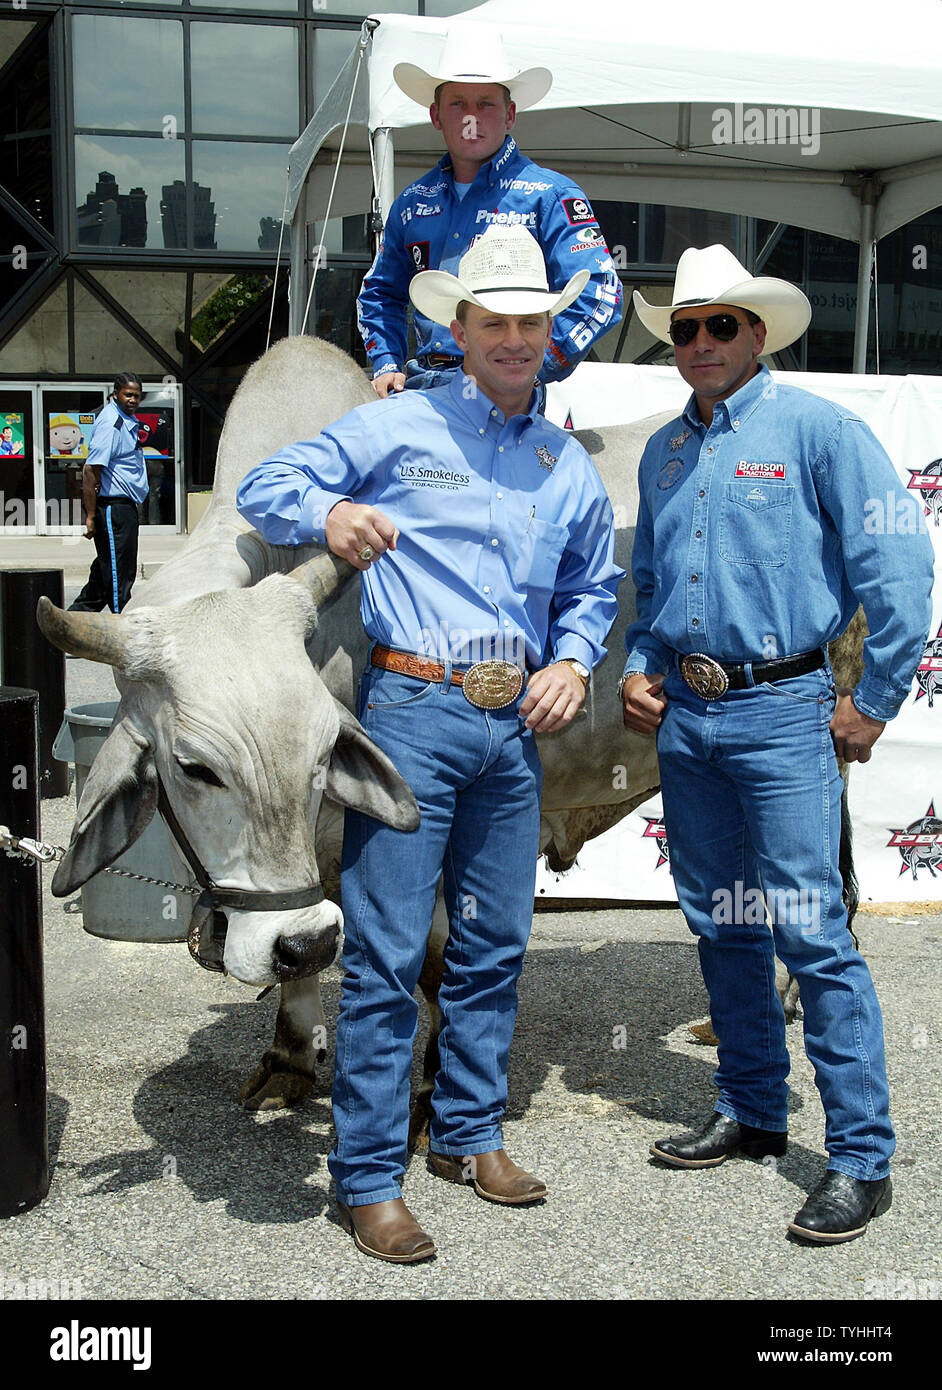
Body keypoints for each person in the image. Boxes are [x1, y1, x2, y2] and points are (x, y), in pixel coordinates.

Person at [238, 225, 623, 1263]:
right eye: (493, 321)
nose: (511, 338)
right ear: (459, 327)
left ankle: (464, 1134)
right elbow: (263, 489)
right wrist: (333, 509)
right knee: (389, 955)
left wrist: (575, 661)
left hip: (512, 727)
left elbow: (594, 587)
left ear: (549, 333)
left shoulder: (561, 463)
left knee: (494, 946)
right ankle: (368, 1178)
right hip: (412, 710)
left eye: (529, 323)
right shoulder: (398, 424)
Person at [620, 244, 935, 1243]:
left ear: (759, 334)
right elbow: (650, 588)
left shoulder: (820, 432)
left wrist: (873, 702)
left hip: (785, 714)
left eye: (721, 324)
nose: (701, 341)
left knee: (811, 934)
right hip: (690, 718)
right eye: (685, 327)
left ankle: (861, 1159)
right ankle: (754, 1110)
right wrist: (637, 662)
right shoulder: (663, 451)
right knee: (722, 922)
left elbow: (900, 575)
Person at [357, 23, 622, 404]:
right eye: (457, 103)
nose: (471, 117)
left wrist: (531, 365)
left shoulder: (550, 195)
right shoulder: (412, 202)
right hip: (422, 391)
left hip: (506, 397)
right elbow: (380, 292)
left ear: (510, 114)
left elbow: (602, 292)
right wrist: (386, 363)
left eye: (485, 104)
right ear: (435, 115)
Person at [69, 373, 149, 615]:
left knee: (107, 576)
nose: (133, 400)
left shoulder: (125, 419)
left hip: (125, 507)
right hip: (113, 508)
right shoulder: (111, 422)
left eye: (136, 395)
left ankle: (69, 625)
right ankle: (123, 630)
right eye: (128, 394)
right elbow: (91, 471)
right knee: (118, 580)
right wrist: (91, 516)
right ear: (116, 394)